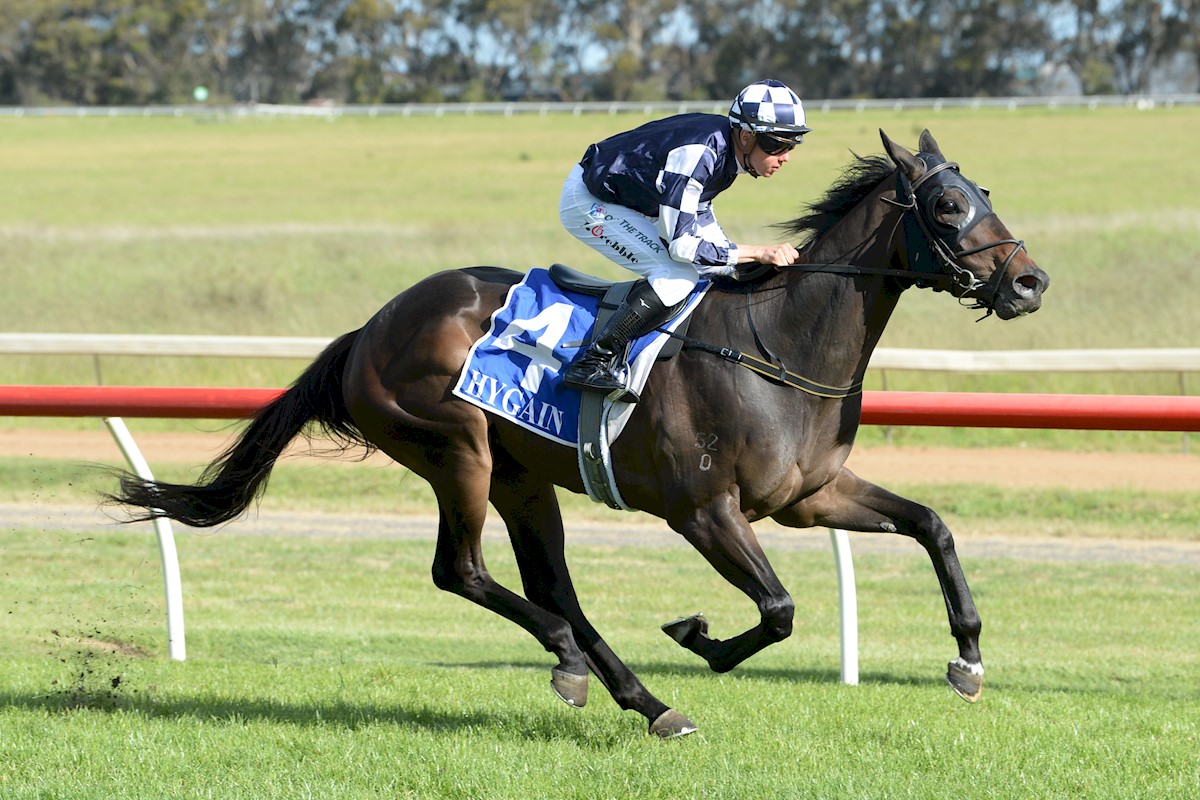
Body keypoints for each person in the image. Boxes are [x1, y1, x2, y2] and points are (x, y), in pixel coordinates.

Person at [558, 78, 810, 397]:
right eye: (777, 144)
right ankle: (593, 361)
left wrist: (737, 262)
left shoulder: (728, 154)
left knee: (718, 269)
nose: (786, 156)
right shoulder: (699, 154)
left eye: (792, 145)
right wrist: (757, 253)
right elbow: (681, 246)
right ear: (746, 136)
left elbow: (699, 216)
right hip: (590, 202)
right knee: (676, 276)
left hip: (638, 201)